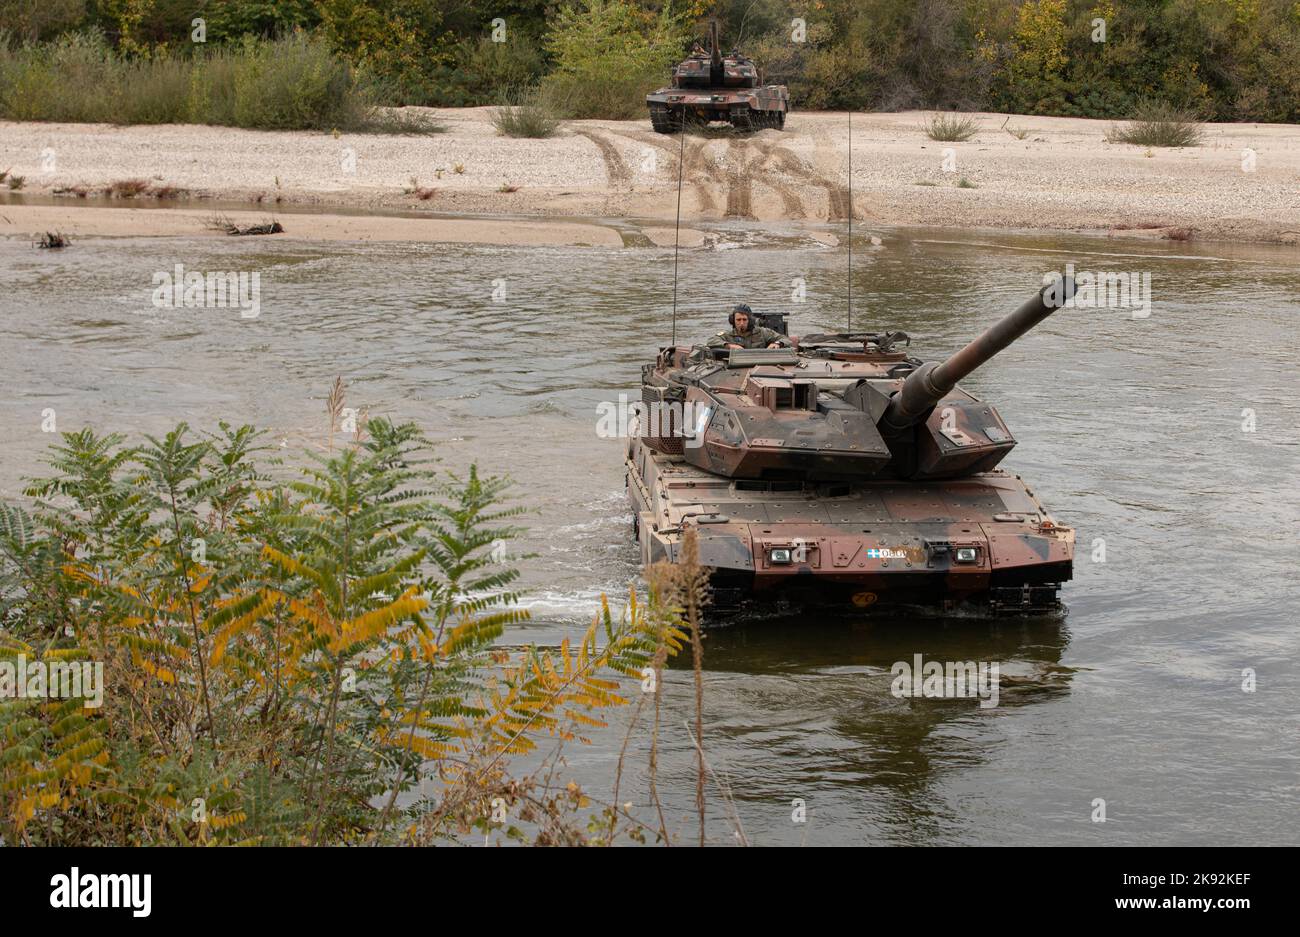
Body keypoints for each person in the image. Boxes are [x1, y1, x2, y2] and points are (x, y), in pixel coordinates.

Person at [705, 304, 791, 350]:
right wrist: (729, 346)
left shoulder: (762, 332)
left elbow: (785, 339)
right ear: (733, 321)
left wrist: (777, 343)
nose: (741, 323)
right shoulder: (729, 335)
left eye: (744, 319)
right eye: (738, 320)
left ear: (750, 320)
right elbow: (711, 341)